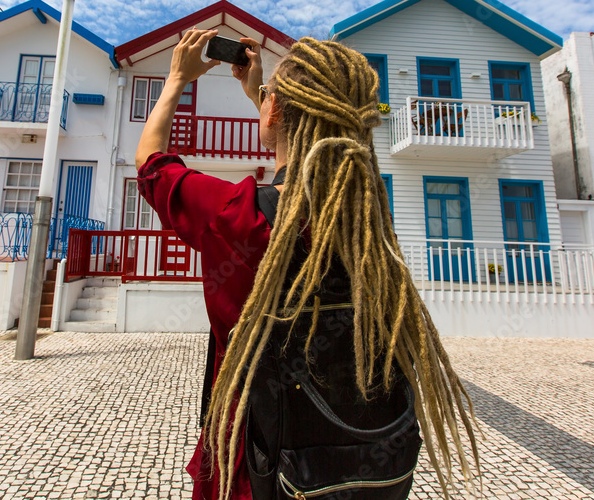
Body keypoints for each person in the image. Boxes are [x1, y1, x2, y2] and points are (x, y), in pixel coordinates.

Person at [136, 29, 479, 500]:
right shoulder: (366, 222)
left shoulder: (239, 218)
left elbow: (153, 165)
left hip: (258, 475)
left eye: (269, 100)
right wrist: (264, 95)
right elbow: (309, 159)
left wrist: (177, 79)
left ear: (274, 111)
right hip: (367, 473)